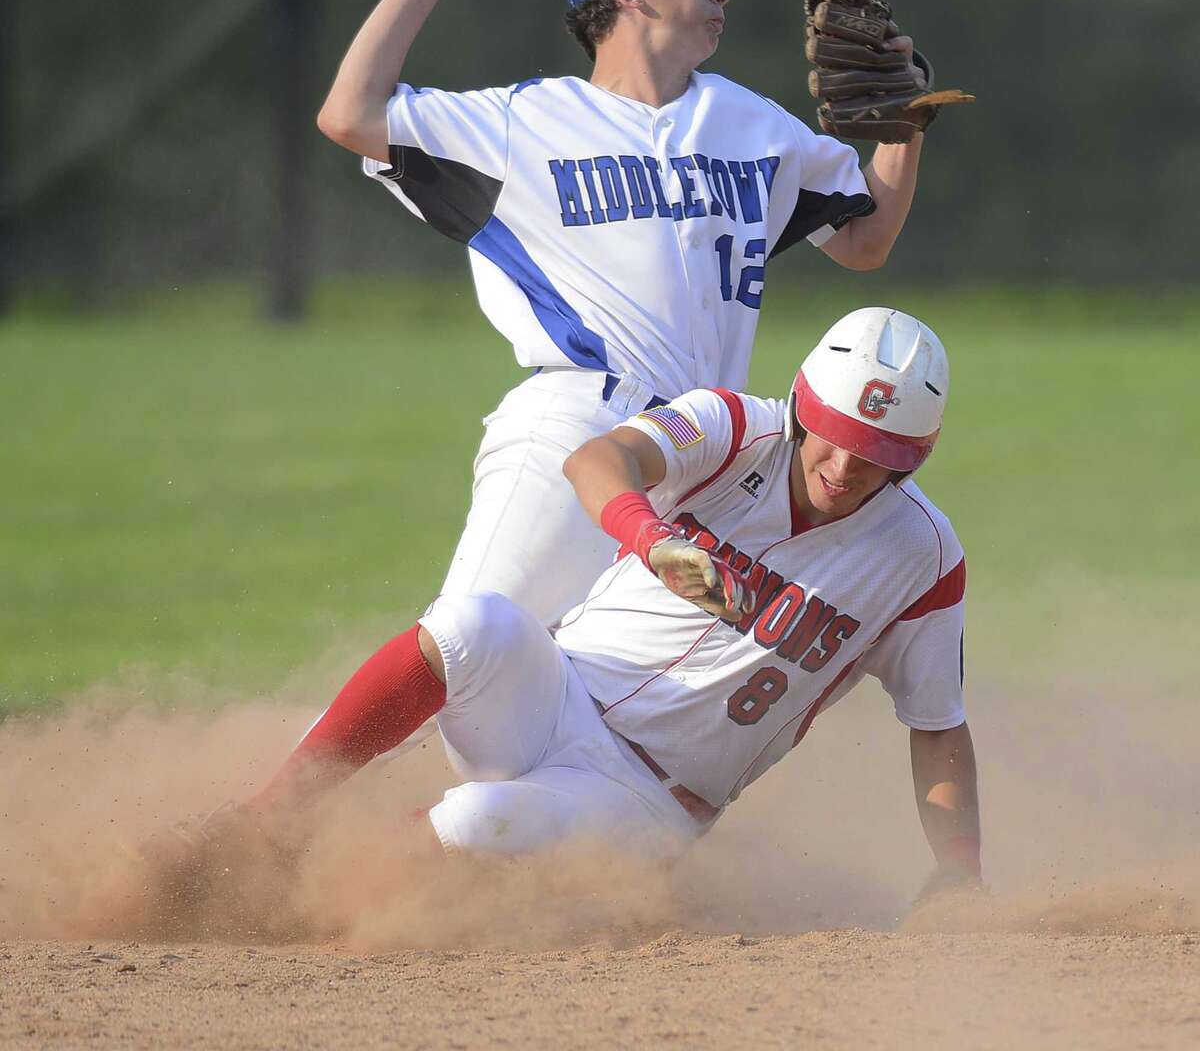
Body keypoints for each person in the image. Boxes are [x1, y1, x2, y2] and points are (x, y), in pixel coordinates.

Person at [266, 0, 934, 802]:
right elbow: (350, 113)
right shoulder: (520, 124)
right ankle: (266, 825)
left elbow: (866, 241)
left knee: (590, 700)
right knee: (468, 637)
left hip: (707, 457)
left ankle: (493, 859)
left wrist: (904, 128)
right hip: (579, 417)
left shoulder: (755, 126)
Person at [157, 309, 979, 904]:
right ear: (802, 408)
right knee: (472, 621)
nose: (846, 464)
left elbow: (937, 725)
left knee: (480, 821)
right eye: (832, 433)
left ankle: (293, 901)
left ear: (914, 458)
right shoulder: (732, 428)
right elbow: (600, 458)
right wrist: (652, 538)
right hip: (552, 694)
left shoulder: (923, 560)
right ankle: (260, 828)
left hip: (646, 802)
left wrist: (959, 873)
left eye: (878, 456)